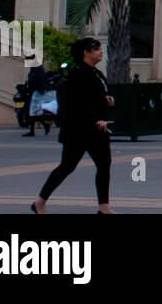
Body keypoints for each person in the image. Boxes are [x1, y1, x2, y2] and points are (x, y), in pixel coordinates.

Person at [32, 38, 115, 214]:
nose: (100, 51)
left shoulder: (95, 73)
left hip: (94, 130)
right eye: (96, 49)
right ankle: (40, 201)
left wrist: (107, 100)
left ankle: (104, 206)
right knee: (67, 166)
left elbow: (95, 97)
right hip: (79, 130)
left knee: (104, 163)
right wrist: (96, 119)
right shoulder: (79, 74)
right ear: (85, 53)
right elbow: (80, 103)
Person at [23, 62, 54, 138]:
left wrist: (34, 90)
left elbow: (36, 80)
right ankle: (41, 127)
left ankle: (36, 129)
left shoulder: (36, 68)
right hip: (36, 92)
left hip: (37, 93)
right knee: (33, 113)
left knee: (33, 112)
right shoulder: (36, 68)